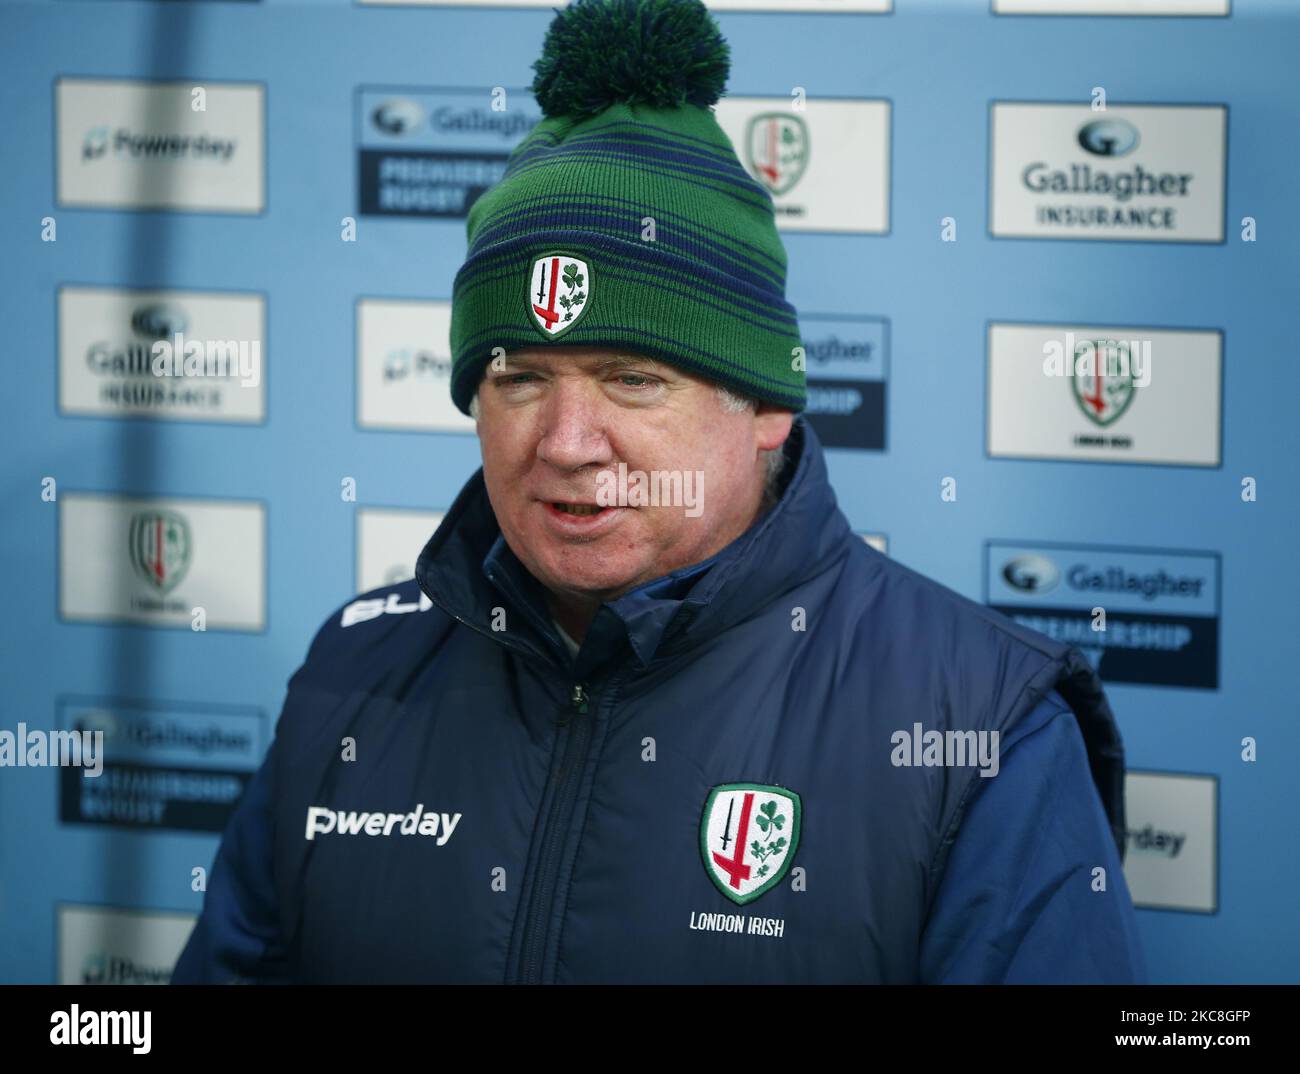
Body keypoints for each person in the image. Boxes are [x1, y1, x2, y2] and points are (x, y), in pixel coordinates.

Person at [172, 0, 1145, 985]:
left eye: (632, 377)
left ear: (763, 404)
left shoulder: (976, 727)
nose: (566, 443)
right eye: (519, 378)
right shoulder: (357, 670)